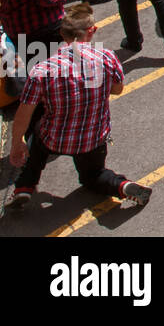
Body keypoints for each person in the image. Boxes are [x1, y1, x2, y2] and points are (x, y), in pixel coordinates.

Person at [5, 11, 152, 211]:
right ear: (91, 31)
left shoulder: (42, 71)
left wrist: (16, 144)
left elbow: (24, 113)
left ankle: (24, 185)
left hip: (53, 137)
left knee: (36, 135)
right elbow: (117, 89)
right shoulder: (107, 57)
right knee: (94, 176)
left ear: (61, 33)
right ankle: (123, 187)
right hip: (93, 138)